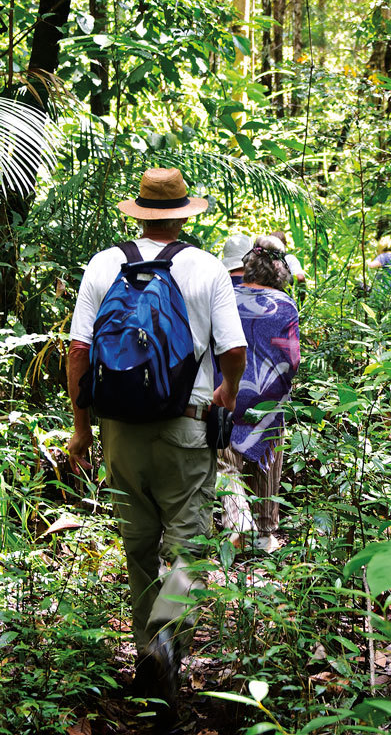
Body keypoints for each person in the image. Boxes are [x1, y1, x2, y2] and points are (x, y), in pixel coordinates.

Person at [67, 167, 247, 725]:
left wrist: (82, 428)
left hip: (119, 429)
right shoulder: (207, 266)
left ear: (140, 212)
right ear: (182, 212)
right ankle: (168, 640)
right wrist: (226, 393)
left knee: (137, 545)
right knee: (190, 546)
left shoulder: (104, 263)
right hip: (185, 428)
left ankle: (149, 644)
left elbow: (79, 351)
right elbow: (233, 349)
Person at [218, 234, 300, 553]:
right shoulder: (286, 305)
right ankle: (265, 533)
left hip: (228, 391)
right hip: (268, 396)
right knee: (268, 457)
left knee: (228, 462)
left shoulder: (226, 299)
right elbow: (292, 358)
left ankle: (238, 524)